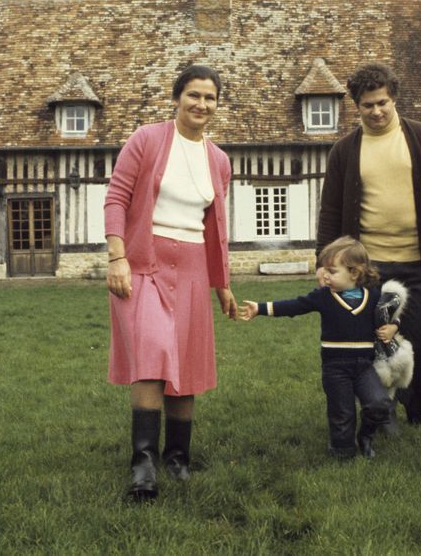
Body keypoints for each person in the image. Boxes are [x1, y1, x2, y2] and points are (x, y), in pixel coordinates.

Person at [104, 64, 238, 501]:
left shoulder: (218, 160)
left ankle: (178, 457)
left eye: (210, 98)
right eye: (193, 95)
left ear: (217, 104)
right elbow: (117, 198)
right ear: (177, 97)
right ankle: (143, 463)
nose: (201, 104)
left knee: (188, 361)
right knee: (152, 352)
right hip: (145, 260)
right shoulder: (147, 139)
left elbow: (215, 227)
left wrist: (222, 285)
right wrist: (117, 256)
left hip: (195, 265)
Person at [317, 62, 421, 430]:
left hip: (417, 261)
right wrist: (326, 260)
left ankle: (415, 403)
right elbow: (330, 210)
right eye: (368, 105)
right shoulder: (345, 151)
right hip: (368, 265)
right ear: (356, 107)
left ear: (394, 99)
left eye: (383, 103)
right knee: (369, 341)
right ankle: (382, 408)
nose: (377, 111)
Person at [240, 236, 399, 459]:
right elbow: (294, 305)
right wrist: (260, 308)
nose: (325, 275)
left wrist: (394, 327)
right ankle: (342, 451)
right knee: (341, 413)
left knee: (379, 404)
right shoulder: (324, 297)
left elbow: (391, 316)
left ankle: (365, 436)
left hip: (365, 366)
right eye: (325, 270)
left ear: (354, 273)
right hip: (336, 368)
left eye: (332, 271)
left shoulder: (373, 296)